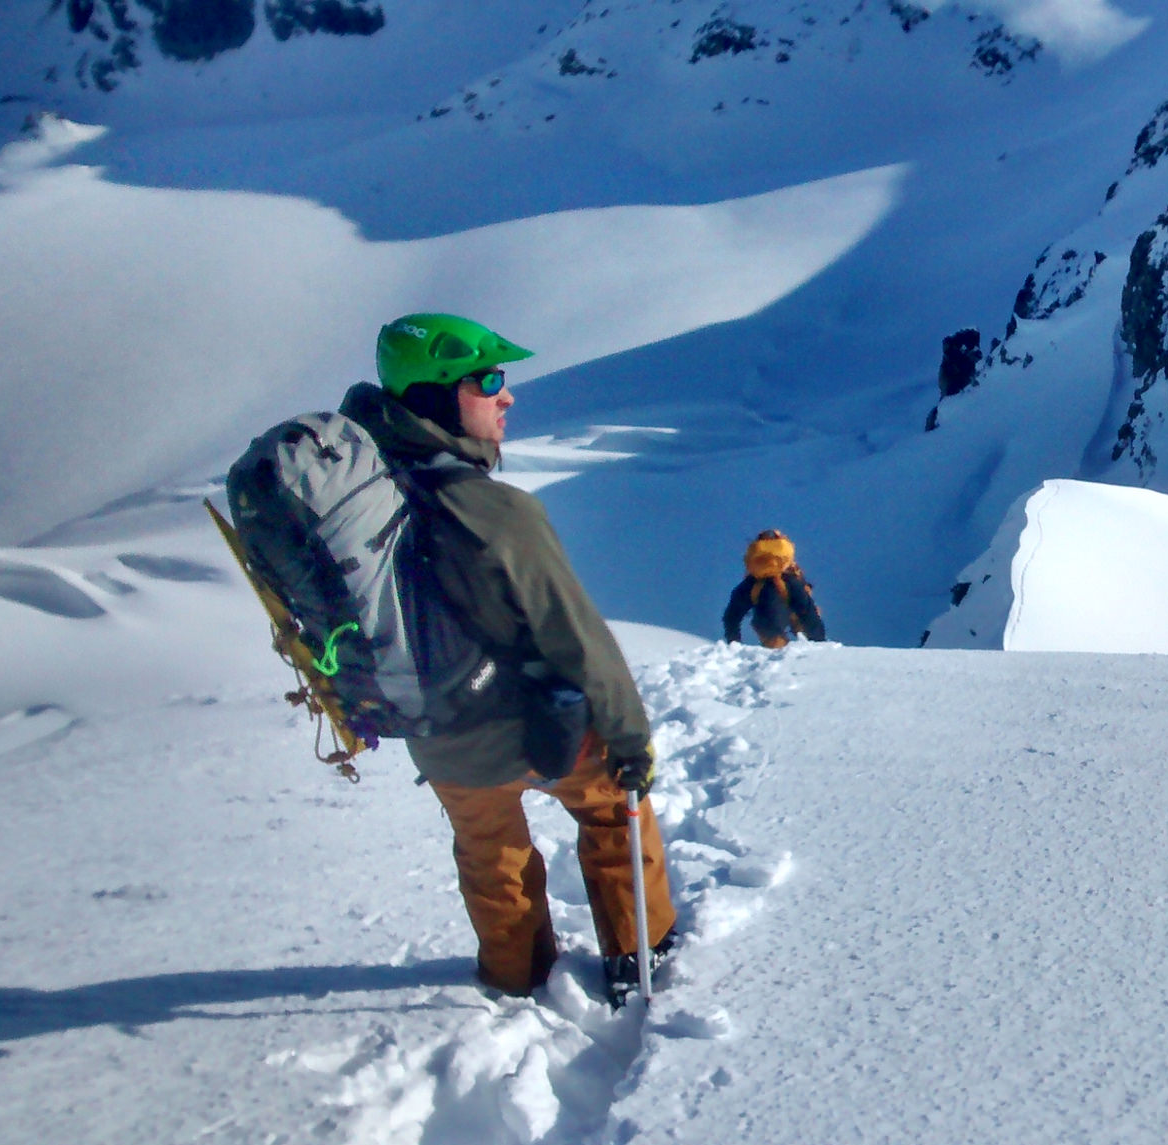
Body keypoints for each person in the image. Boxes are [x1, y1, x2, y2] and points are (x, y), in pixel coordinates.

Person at [342, 312, 676, 1001]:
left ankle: (515, 980)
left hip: (437, 735)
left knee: (490, 852)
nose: (507, 396)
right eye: (487, 381)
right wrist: (630, 739)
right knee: (614, 812)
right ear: (436, 397)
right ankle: (640, 954)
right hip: (534, 728)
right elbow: (576, 636)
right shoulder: (495, 511)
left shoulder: (365, 495)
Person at [722, 529, 828, 648]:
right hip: (794, 608)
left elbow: (731, 616)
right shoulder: (791, 577)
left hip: (767, 622)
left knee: (775, 647)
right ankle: (809, 641)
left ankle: (777, 648)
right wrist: (820, 642)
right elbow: (808, 611)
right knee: (807, 612)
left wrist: (733, 641)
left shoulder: (752, 582)